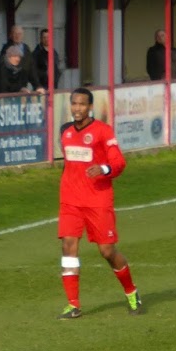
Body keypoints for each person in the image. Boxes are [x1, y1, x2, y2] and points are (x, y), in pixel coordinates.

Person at [57, 87, 140, 318]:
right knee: (68, 247)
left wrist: (103, 168)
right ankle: (73, 304)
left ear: (90, 107)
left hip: (97, 200)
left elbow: (119, 163)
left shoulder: (103, 132)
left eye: (82, 104)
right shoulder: (65, 132)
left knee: (107, 251)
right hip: (70, 201)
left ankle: (131, 291)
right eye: (74, 104)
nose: (77, 108)